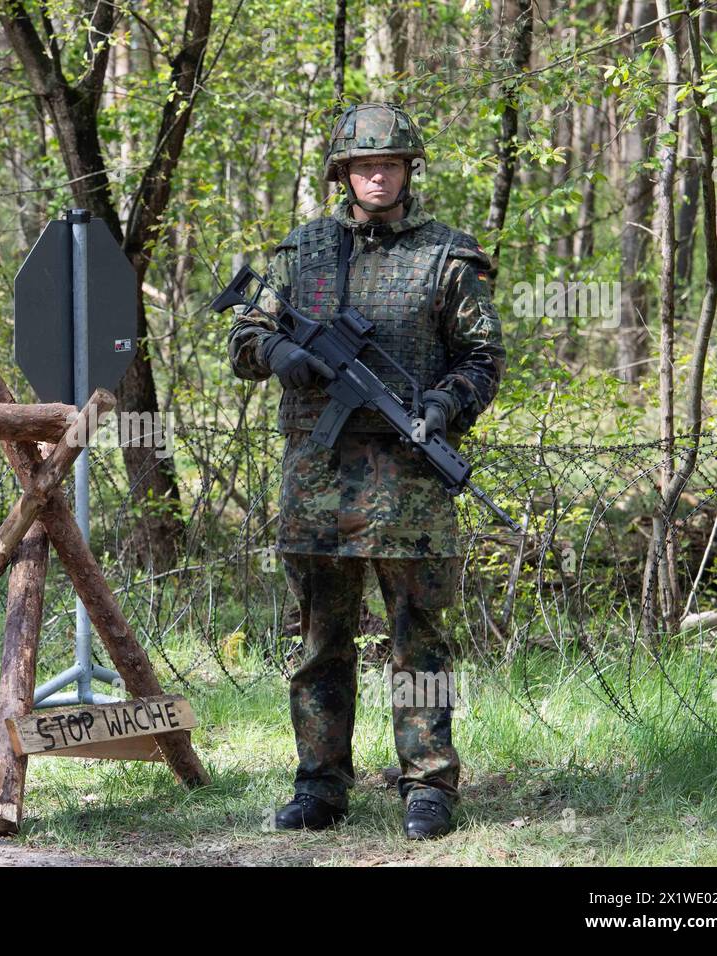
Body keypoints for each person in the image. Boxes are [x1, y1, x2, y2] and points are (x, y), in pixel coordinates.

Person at [227, 103, 506, 839]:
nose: (376, 174)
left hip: (411, 484)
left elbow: (484, 360)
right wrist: (280, 354)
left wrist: (445, 406)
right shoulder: (305, 252)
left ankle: (428, 785)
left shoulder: (449, 256)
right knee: (321, 641)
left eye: (389, 163)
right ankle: (320, 784)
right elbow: (245, 336)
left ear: (410, 169)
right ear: (342, 173)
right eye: (362, 164)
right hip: (318, 483)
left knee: (421, 641)